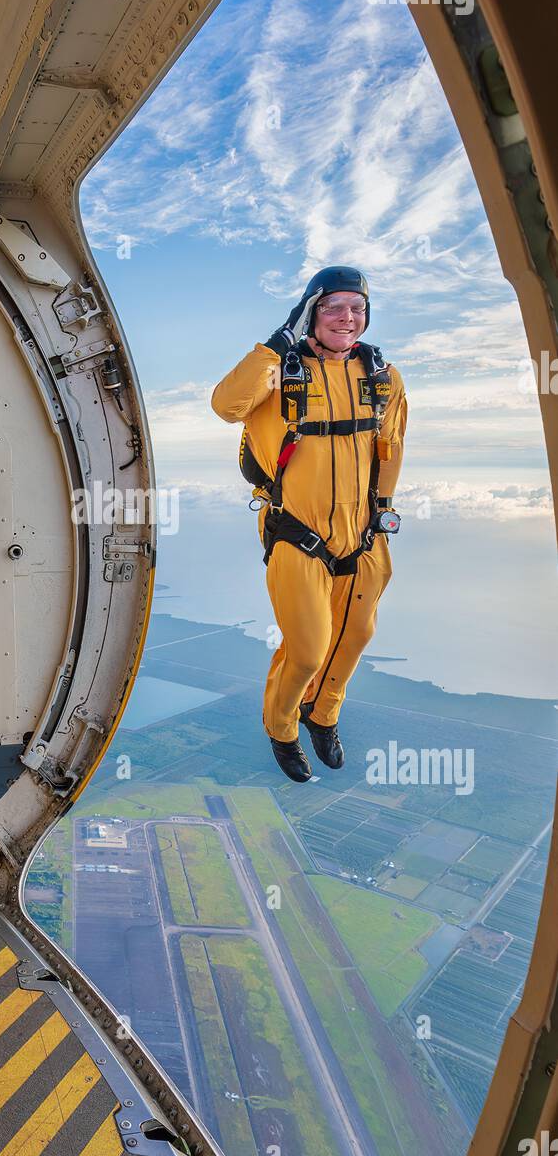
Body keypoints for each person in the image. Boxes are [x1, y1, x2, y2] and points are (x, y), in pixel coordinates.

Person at [211, 266, 407, 782]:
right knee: (308, 648)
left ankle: (323, 717)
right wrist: (276, 344)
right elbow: (226, 406)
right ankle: (281, 728)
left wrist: (383, 509)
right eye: (333, 307)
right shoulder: (281, 371)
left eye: (357, 308)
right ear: (310, 311)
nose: (347, 318)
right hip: (296, 532)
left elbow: (391, 446)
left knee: (357, 634)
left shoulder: (382, 377)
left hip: (364, 533)